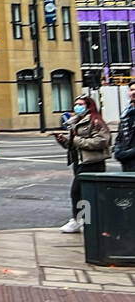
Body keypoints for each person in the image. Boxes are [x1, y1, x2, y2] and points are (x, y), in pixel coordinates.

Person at [56, 95, 111, 233]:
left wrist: (75, 140)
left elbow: (101, 141)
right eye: (76, 104)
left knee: (78, 192)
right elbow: (73, 144)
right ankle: (86, 220)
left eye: (81, 104)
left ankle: (80, 220)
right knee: (82, 193)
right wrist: (63, 140)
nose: (77, 107)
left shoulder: (96, 121)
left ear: (89, 106)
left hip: (92, 162)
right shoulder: (75, 121)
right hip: (79, 162)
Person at [115, 85, 135, 173]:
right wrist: (117, 150)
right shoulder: (125, 114)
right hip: (128, 164)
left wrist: (128, 154)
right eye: (132, 90)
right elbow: (120, 136)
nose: (133, 92)